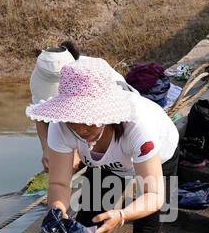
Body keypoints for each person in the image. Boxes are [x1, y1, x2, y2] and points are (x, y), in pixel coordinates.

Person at [32, 60, 179, 233]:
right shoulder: (62, 128)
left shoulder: (138, 127)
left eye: (90, 119)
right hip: (108, 162)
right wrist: (57, 210)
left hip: (160, 157)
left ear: (107, 114)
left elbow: (154, 195)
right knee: (87, 227)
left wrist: (121, 215)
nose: (82, 128)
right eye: (73, 120)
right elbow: (58, 183)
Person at [28, 42, 132, 174]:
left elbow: (84, 119)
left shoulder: (96, 75)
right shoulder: (43, 74)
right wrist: (47, 149)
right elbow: (41, 117)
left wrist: (78, 151)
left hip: (107, 125)